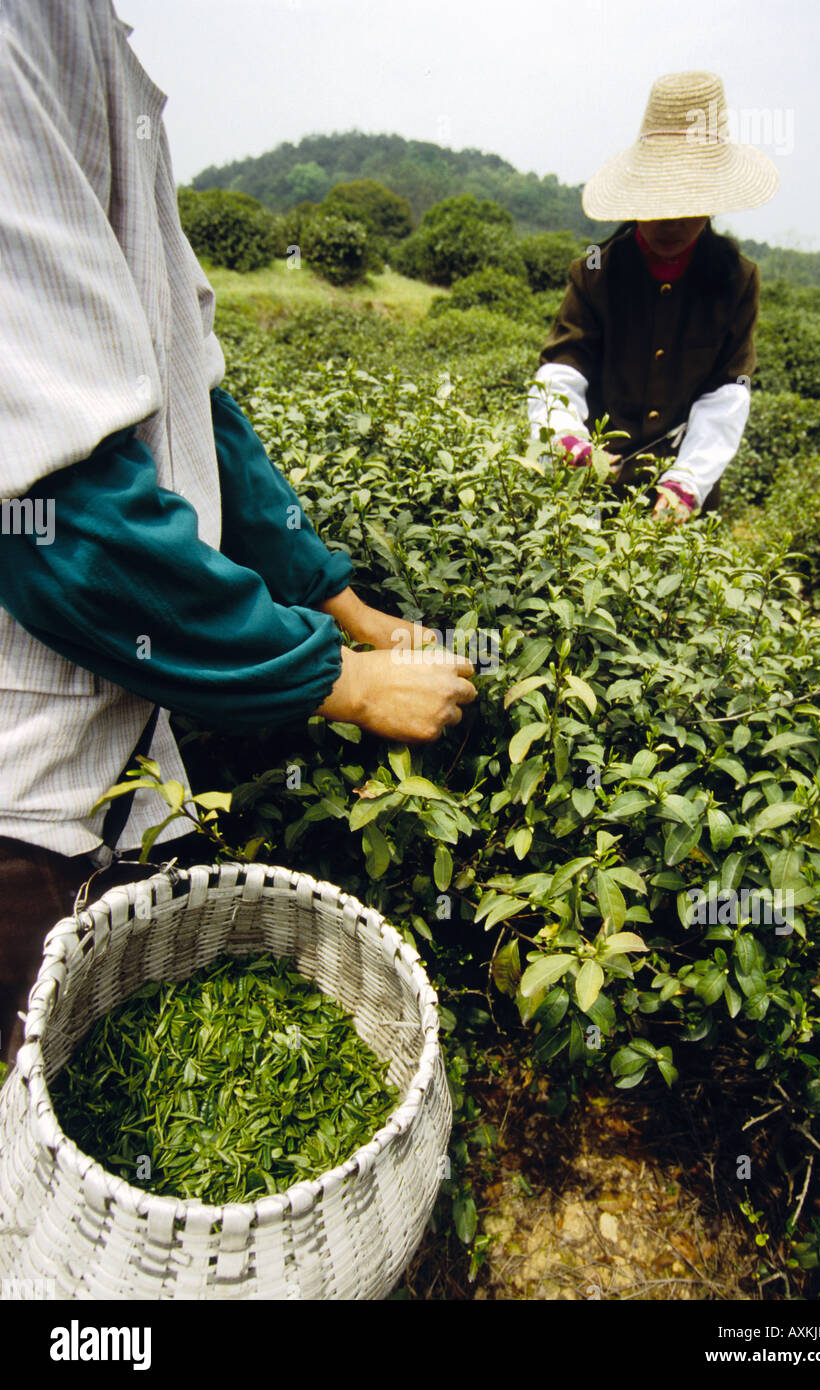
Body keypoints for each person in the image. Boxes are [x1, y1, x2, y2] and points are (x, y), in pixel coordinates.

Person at [0, 0, 475, 1065]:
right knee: (60, 1119)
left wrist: (341, 600)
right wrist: (338, 681)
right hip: (23, 792)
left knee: (163, 1058)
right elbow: (55, 520)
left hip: (130, 730)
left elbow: (194, 406)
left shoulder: (89, 36)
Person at [527, 71, 780, 521]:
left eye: (690, 204)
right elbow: (562, 369)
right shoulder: (596, 270)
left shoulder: (736, 280)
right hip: (591, 491)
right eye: (660, 201)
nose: (672, 222)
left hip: (682, 496)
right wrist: (567, 441)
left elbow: (727, 392)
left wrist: (688, 482)